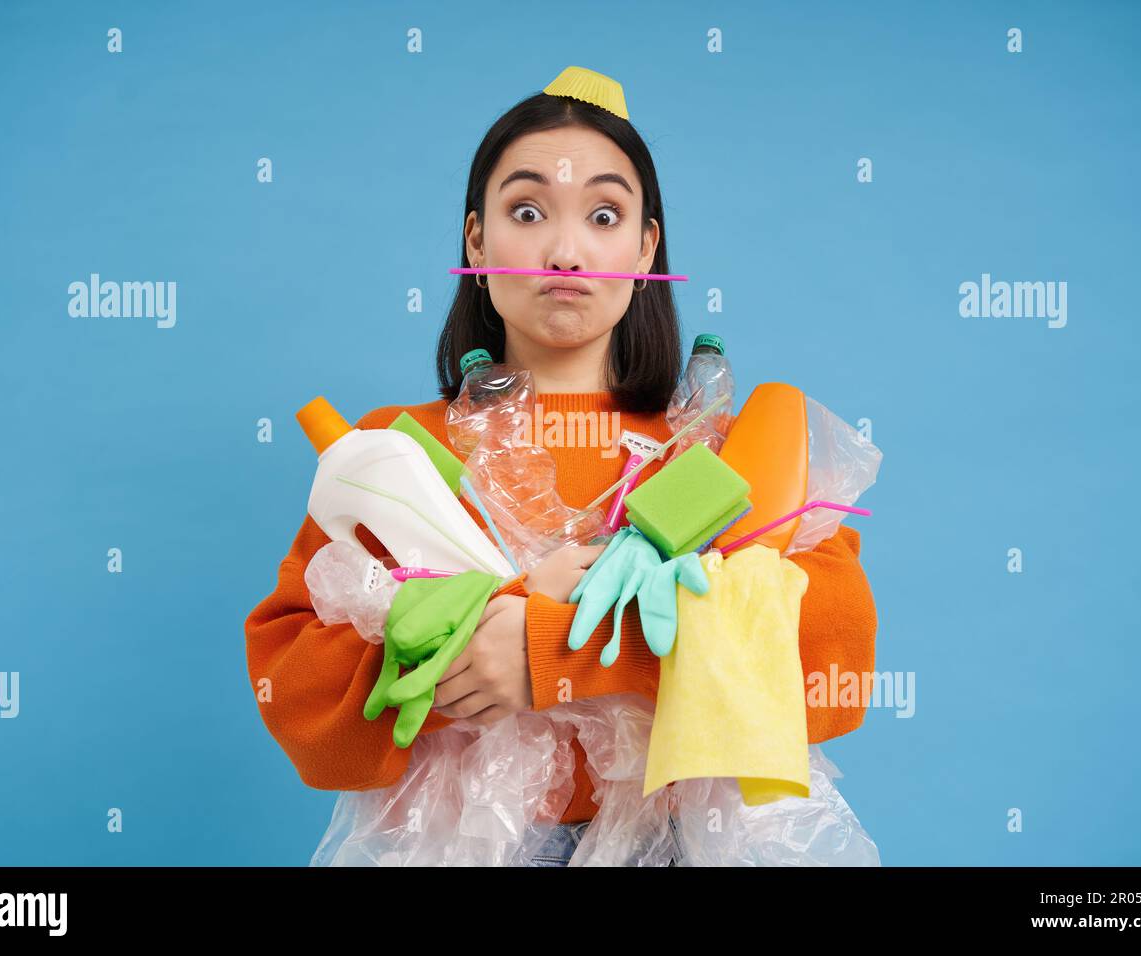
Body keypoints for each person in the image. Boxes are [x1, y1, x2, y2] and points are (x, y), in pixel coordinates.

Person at [244, 66, 877, 866]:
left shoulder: (719, 453)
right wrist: (459, 664)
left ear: (646, 247)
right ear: (476, 239)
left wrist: (555, 652)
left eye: (605, 215)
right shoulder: (397, 456)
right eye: (528, 210)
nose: (567, 250)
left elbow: (835, 658)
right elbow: (295, 691)